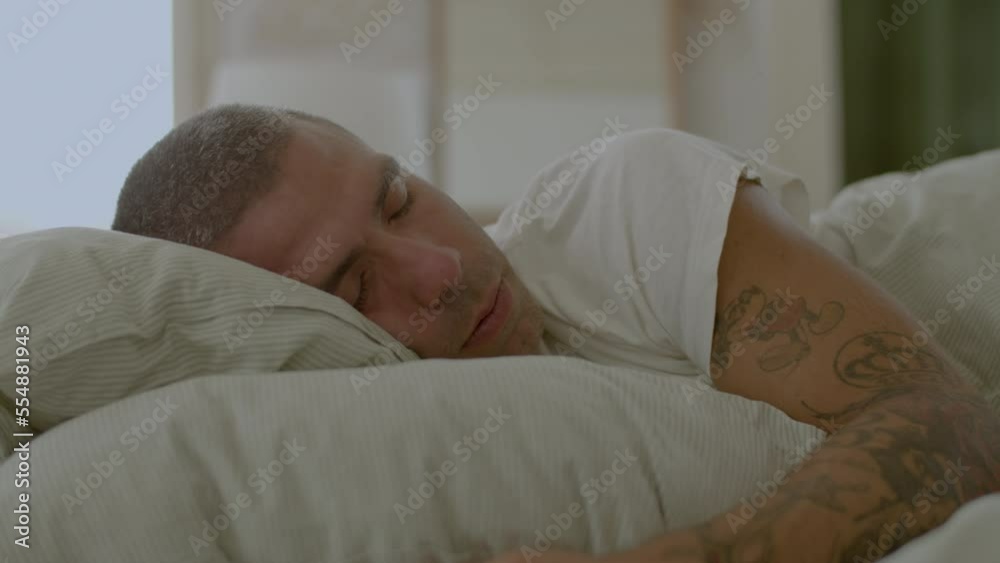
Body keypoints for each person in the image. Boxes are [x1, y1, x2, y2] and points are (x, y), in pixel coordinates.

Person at [112, 104, 1000, 562]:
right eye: (355, 287)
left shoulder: (616, 203)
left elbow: (949, 426)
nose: (439, 268)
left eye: (399, 199)